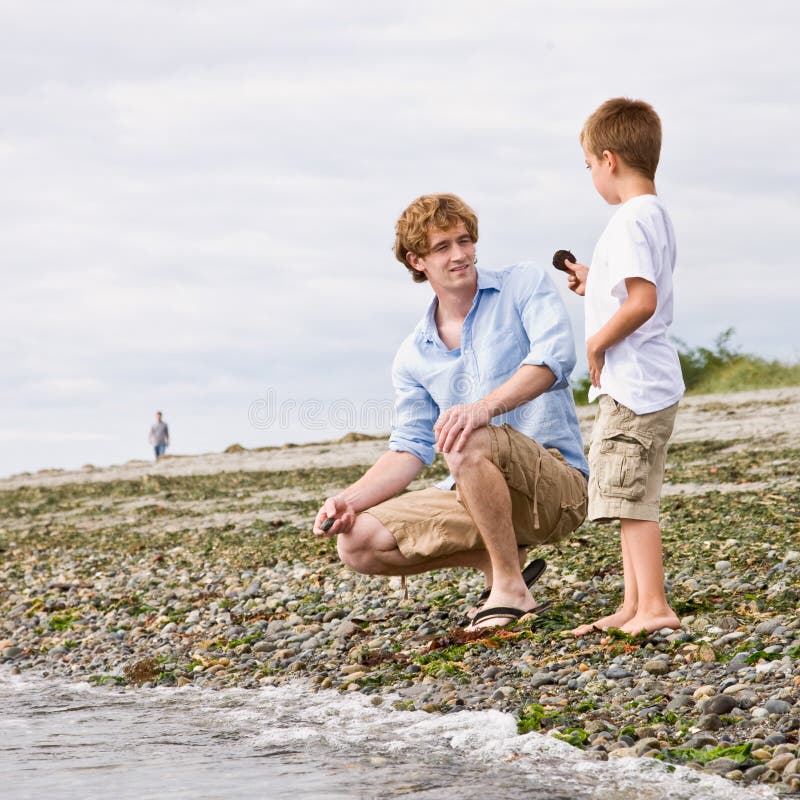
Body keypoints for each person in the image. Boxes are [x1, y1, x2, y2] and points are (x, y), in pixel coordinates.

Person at [314, 194, 588, 630]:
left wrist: (482, 409)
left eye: (464, 241)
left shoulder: (523, 283)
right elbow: (409, 449)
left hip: (556, 489)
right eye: (442, 247)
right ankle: (502, 566)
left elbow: (555, 360)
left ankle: (511, 591)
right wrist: (349, 501)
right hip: (474, 493)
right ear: (417, 260)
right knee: (357, 544)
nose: (460, 255)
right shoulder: (412, 355)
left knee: (466, 432)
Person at [561, 98, 685, 636]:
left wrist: (595, 345)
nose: (591, 174)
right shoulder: (649, 215)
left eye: (588, 165)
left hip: (634, 384)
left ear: (608, 159)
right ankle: (633, 603)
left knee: (633, 500)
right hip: (643, 380)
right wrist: (594, 280)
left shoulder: (631, 218)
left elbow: (641, 301)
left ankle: (654, 606)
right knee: (627, 494)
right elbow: (627, 290)